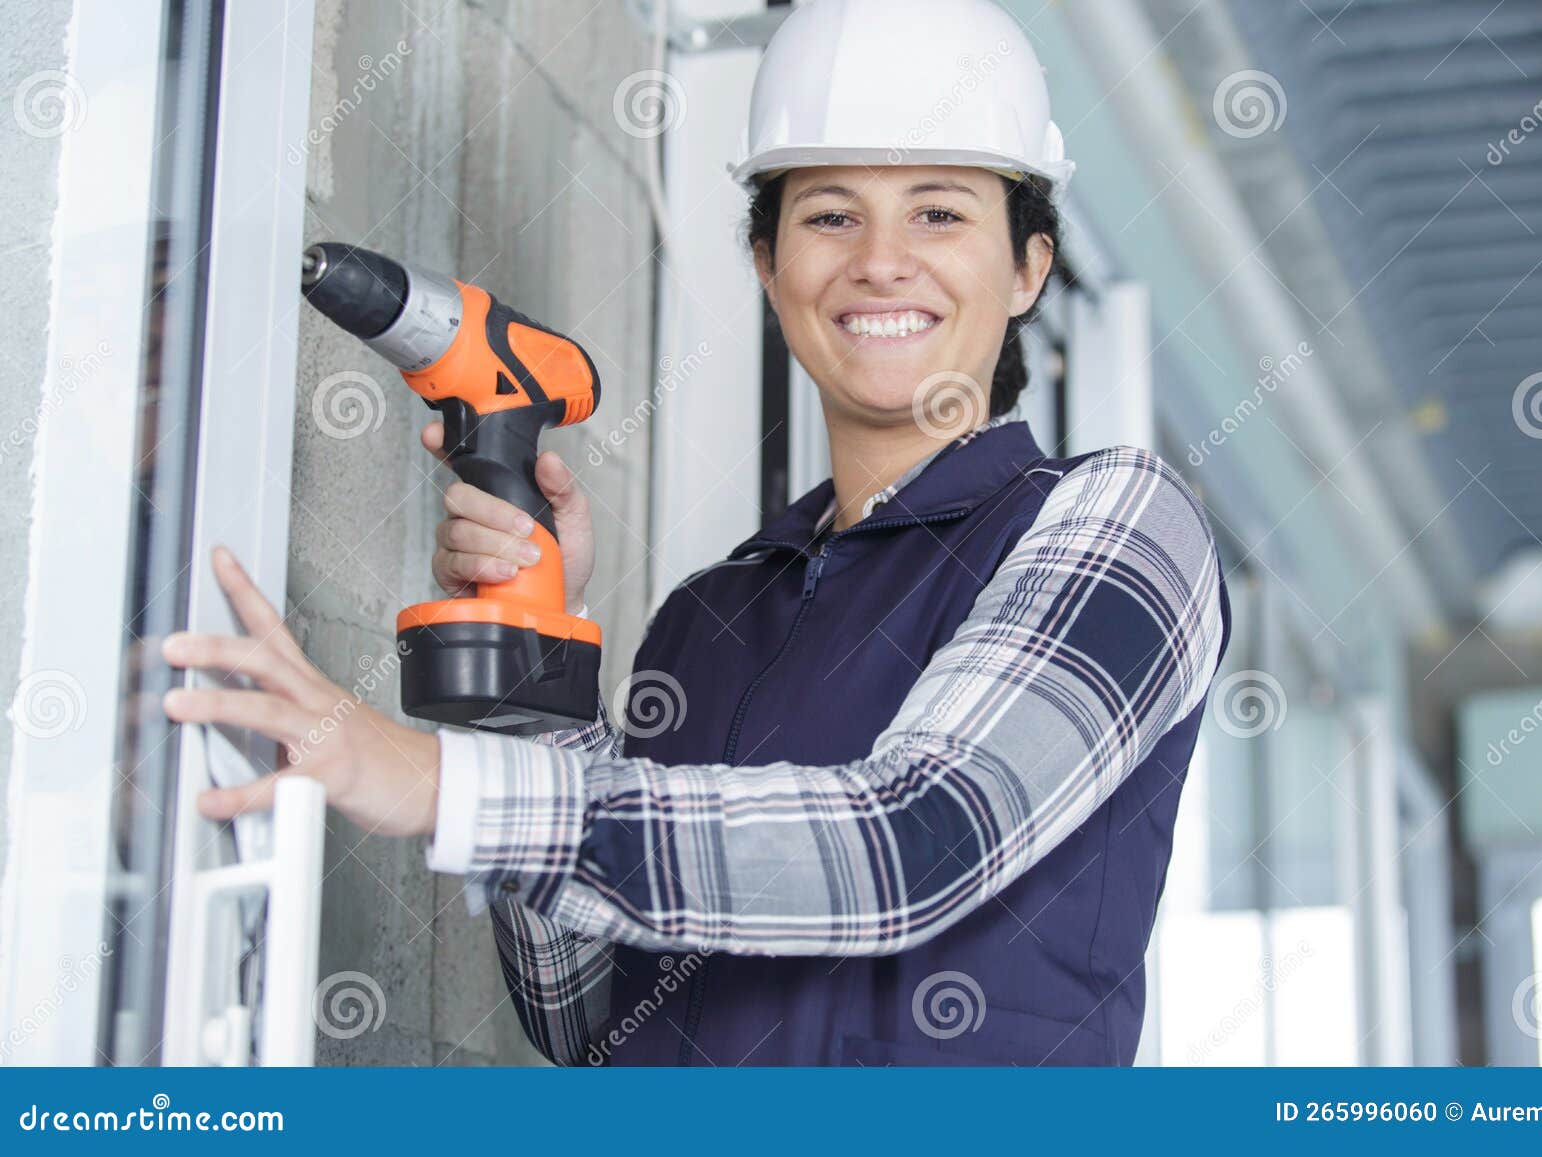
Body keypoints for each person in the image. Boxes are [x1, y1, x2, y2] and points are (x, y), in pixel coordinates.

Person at [163, 0, 1231, 1066]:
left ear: (1029, 267)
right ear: (768, 265)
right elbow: (585, 1016)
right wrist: (535, 679)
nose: (880, 262)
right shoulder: (709, 615)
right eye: (830, 217)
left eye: (939, 213)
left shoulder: (1118, 521)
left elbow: (914, 841)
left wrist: (433, 781)